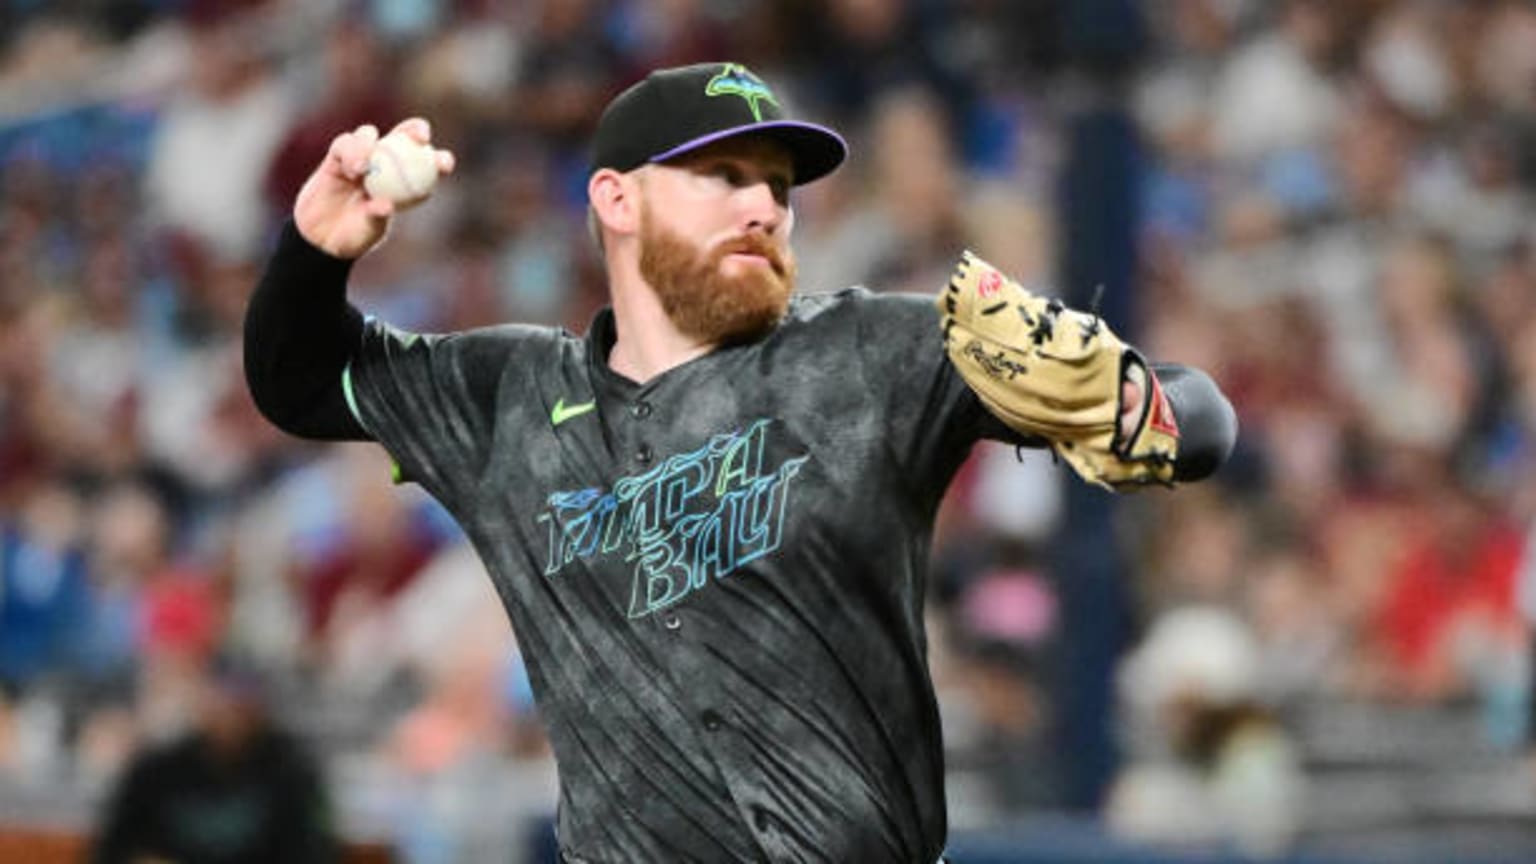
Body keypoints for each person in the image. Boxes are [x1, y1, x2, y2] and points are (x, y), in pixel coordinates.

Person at [244, 62, 1236, 863]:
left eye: (778, 186)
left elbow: (1196, 422)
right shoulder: (504, 398)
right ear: (617, 199)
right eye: (723, 177)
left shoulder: (871, 356)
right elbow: (296, 382)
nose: (763, 205)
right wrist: (315, 247)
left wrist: (1140, 405)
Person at [90, 656, 337, 864]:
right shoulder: (155, 770)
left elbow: (317, 852)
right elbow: (111, 849)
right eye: (221, 701)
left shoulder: (292, 771)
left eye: (241, 704)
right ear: (201, 702)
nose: (230, 715)